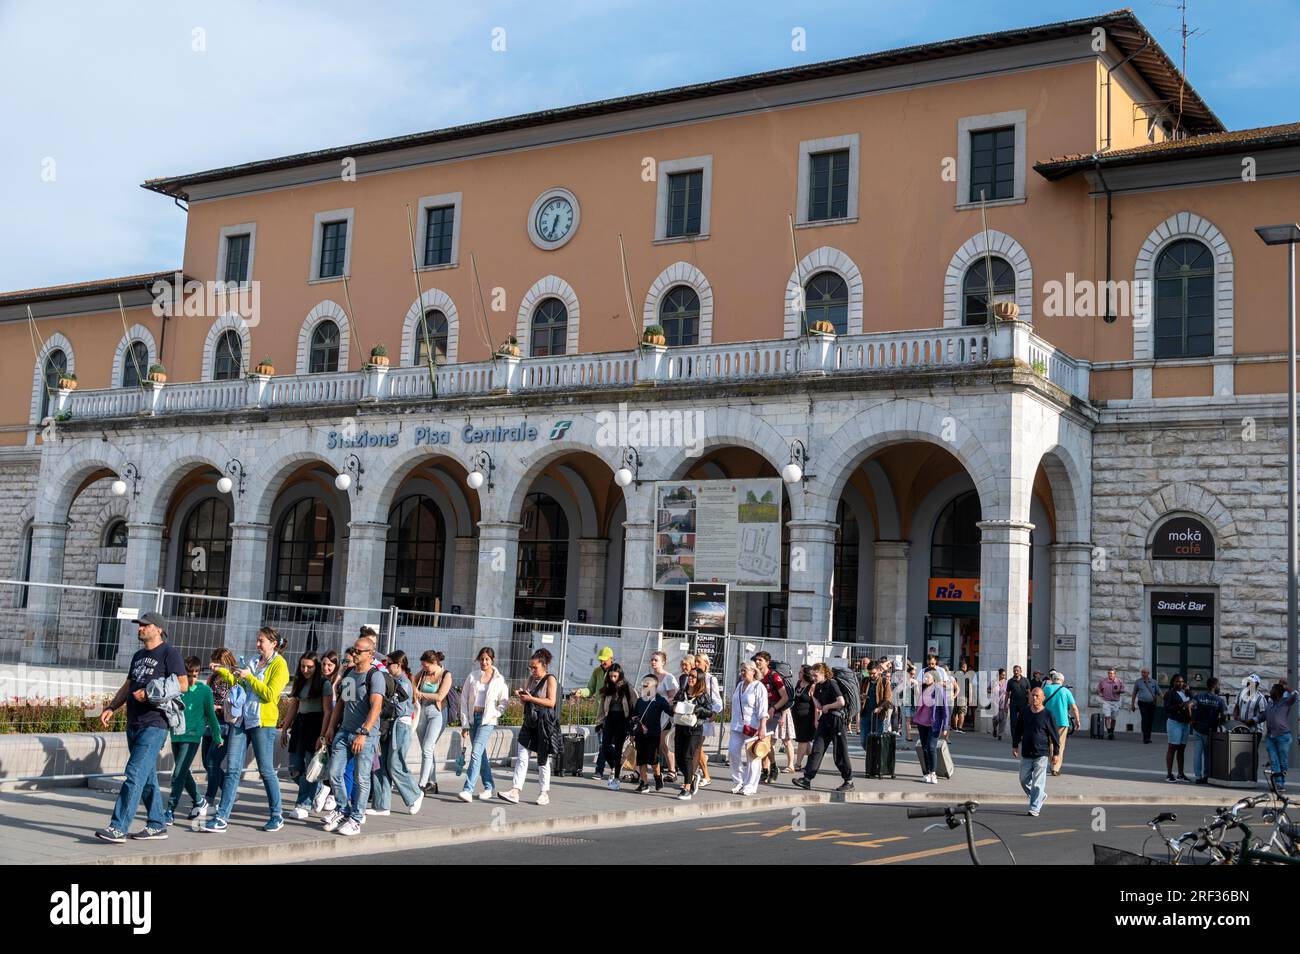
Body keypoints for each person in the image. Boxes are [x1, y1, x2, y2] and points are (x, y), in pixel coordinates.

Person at [96, 612, 188, 843]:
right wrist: (112, 706)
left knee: (134, 774)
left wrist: (149, 693)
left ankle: (118, 827)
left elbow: (184, 684)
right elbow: (128, 685)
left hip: (155, 724)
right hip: (134, 723)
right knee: (146, 777)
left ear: (158, 629)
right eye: (139, 625)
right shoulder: (138, 656)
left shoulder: (170, 653)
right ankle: (157, 825)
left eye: (144, 625)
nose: (140, 628)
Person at [204, 626, 290, 833]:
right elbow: (239, 684)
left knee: (266, 770)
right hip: (241, 719)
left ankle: (276, 814)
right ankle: (222, 816)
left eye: (261, 640)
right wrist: (224, 672)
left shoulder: (280, 665)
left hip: (262, 722)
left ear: (273, 643)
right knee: (233, 768)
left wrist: (250, 677)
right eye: (257, 640)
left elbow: (270, 694)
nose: (257, 644)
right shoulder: (252, 660)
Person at [319, 633, 385, 835]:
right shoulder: (349, 673)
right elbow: (342, 702)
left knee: (361, 778)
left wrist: (363, 733)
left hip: (365, 735)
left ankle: (356, 819)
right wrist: (331, 727)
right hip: (344, 731)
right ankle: (342, 809)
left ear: (370, 654)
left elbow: (376, 707)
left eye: (359, 651)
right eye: (354, 649)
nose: (354, 653)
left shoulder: (375, 676)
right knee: (334, 773)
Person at [163, 655, 222, 826]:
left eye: (195, 674)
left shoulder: (205, 691)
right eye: (188, 674)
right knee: (184, 772)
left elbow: (211, 716)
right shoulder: (176, 690)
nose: (192, 679)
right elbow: (168, 712)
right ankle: (199, 801)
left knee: (178, 773)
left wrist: (217, 735)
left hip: (193, 736)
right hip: (176, 734)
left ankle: (170, 810)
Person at [499, 648, 561, 805]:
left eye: (535, 667)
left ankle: (544, 792)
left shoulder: (550, 679)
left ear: (544, 665)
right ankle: (515, 791)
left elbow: (551, 702)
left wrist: (531, 698)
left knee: (542, 759)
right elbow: (526, 701)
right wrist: (522, 696)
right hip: (530, 722)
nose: (532, 670)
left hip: (544, 724)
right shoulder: (530, 679)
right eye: (530, 667)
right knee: (522, 756)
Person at [372, 649, 424, 816]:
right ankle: (381, 805)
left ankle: (415, 794)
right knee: (380, 764)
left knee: (395, 763)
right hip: (388, 725)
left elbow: (397, 706)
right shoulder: (393, 679)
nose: (385, 666)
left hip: (400, 726)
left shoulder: (404, 683)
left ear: (399, 665)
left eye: (389, 664)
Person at [457, 646, 510, 802]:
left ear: (492, 660)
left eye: (487, 659)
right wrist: (465, 723)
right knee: (481, 755)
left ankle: (468, 789)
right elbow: (464, 700)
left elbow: (504, 701)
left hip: (487, 720)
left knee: (475, 753)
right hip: (474, 718)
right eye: (481, 659)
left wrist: (496, 713)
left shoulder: (499, 679)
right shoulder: (472, 676)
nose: (484, 662)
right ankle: (489, 787)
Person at [279, 651, 326, 820]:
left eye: (310, 667)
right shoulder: (299, 682)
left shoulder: (323, 684)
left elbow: (328, 711)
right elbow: (293, 706)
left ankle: (303, 805)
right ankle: (318, 789)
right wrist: (284, 729)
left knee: (309, 769)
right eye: (303, 666)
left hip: (315, 724)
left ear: (316, 667)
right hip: (300, 725)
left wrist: (323, 736)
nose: (306, 670)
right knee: (294, 768)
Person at [792, 663, 853, 792]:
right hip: (825, 720)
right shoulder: (818, 686)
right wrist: (813, 696)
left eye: (816, 675)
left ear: (823, 673)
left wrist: (828, 707)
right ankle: (807, 779)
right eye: (812, 675)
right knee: (817, 749)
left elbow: (841, 702)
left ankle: (848, 781)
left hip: (837, 720)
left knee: (840, 752)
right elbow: (819, 706)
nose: (813, 677)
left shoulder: (832, 683)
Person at [1011, 687, 1060, 817]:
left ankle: (1034, 807)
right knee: (1023, 779)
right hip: (1026, 752)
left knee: (1038, 783)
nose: (1034, 698)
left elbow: (1055, 735)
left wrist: (1056, 753)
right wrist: (1015, 745)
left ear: (1043, 698)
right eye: (1033, 695)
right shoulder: (1024, 712)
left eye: (1037, 696)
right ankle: (1040, 796)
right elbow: (1018, 729)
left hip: (1042, 754)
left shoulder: (1048, 714)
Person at [670, 669, 716, 800]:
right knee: (678, 759)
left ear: (699, 679)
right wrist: (674, 707)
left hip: (694, 730)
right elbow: (672, 706)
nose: (690, 678)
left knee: (686, 756)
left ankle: (687, 788)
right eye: (689, 675)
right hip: (680, 728)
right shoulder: (682, 692)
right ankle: (693, 777)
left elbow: (710, 713)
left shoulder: (703, 695)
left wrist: (699, 709)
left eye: (694, 677)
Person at [202, 647, 237, 815]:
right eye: (213, 662)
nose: (213, 666)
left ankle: (209, 799)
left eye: (217, 663)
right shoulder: (212, 678)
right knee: (206, 761)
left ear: (226, 664)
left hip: (224, 724)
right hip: (209, 723)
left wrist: (218, 707)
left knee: (212, 761)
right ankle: (229, 792)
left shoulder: (232, 680)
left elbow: (234, 704)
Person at [414, 650, 453, 794]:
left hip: (437, 714)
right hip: (422, 712)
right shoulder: (423, 673)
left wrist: (421, 694)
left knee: (427, 748)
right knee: (427, 749)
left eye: (426, 666)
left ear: (434, 663)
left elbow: (440, 696)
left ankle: (422, 784)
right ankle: (433, 782)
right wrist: (414, 691)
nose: (424, 668)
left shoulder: (446, 675)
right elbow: (412, 681)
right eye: (422, 666)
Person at [574, 646, 615, 778]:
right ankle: (609, 767)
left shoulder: (616, 671)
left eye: (605, 660)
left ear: (611, 659)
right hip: (600, 714)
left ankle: (602, 769)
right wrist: (582, 692)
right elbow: (590, 688)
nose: (602, 662)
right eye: (601, 660)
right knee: (603, 744)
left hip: (613, 713)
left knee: (606, 744)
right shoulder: (597, 671)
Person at [728, 661, 768, 796]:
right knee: (733, 752)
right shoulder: (739, 685)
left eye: (745, 670)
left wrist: (762, 727)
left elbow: (763, 709)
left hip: (753, 726)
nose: (743, 672)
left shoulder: (759, 687)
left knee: (752, 756)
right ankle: (739, 781)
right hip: (737, 725)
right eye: (742, 670)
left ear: (753, 671)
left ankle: (750, 785)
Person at [752, 651, 791, 782]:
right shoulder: (756, 677)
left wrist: (773, 708)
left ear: (767, 662)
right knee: (760, 740)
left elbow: (785, 697)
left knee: (765, 740)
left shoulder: (774, 676)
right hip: (759, 711)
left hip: (772, 711)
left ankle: (772, 767)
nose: (757, 662)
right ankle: (765, 769)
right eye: (756, 660)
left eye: (760, 660)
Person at [597, 663, 635, 790]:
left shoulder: (627, 687)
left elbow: (634, 703)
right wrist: (599, 722)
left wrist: (632, 722)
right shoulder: (608, 687)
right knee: (605, 747)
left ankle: (616, 778)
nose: (613, 679)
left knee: (618, 749)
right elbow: (602, 707)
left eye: (615, 676)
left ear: (620, 676)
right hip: (610, 719)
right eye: (611, 676)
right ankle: (614, 766)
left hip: (622, 720)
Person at [913, 663, 951, 785]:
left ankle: (933, 773)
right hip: (922, 722)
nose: (925, 679)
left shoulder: (939, 689)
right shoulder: (923, 688)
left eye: (927, 677)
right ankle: (927, 772)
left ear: (934, 678)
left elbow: (945, 709)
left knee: (931, 747)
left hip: (934, 723)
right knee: (924, 748)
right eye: (924, 677)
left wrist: (945, 726)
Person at [1040, 671, 1080, 777]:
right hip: (1062, 721)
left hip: (1047, 721)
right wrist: (1077, 720)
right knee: (1060, 744)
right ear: (1062, 681)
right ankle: (1055, 768)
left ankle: (1047, 764)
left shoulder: (1046, 689)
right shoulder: (1065, 691)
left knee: (1049, 743)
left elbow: (1039, 703)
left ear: (1053, 680)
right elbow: (1074, 707)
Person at [648, 651, 679, 781]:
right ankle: (656, 770)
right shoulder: (649, 677)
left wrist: (662, 702)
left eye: (656, 660)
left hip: (665, 714)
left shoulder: (668, 678)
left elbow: (674, 698)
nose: (653, 662)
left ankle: (672, 770)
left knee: (664, 743)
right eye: (652, 660)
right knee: (651, 743)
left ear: (663, 662)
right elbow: (646, 696)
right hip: (652, 713)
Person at [1189, 676, 1226, 784]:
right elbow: (1224, 715)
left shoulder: (1199, 696)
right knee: (1207, 755)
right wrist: (1219, 721)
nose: (1219, 687)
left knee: (1197, 754)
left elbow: (1189, 705)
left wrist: (1191, 719)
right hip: (1210, 730)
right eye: (1218, 685)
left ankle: (1198, 777)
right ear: (1215, 686)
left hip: (1198, 729)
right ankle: (1206, 775)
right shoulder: (1219, 700)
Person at [694, 653, 723, 786]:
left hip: (705, 716)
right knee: (695, 747)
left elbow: (717, 700)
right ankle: (695, 774)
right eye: (695, 661)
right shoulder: (694, 677)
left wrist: (714, 713)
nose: (696, 664)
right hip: (693, 716)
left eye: (699, 662)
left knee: (697, 746)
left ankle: (705, 776)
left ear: (706, 664)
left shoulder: (711, 680)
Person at [1264, 680, 1297, 792]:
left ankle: (1281, 781)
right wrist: (1253, 720)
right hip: (1270, 737)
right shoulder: (1269, 704)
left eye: (1272, 689)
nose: (1270, 691)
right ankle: (1278, 783)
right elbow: (1263, 715)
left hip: (1283, 736)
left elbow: (1295, 695)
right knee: (1274, 760)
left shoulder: (1286, 702)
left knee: (1283, 760)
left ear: (1277, 692)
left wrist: (1286, 687)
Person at [1163, 673, 1193, 783]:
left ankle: (1181, 774)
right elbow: (1167, 708)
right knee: (1172, 747)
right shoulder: (1170, 693)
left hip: (1185, 723)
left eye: (1181, 681)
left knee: (1181, 749)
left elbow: (1193, 700)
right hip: (1174, 723)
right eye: (1177, 681)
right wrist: (1180, 706)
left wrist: (1188, 691)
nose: (1180, 683)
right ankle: (1169, 774)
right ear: (1173, 682)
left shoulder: (1185, 693)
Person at [789, 665, 816, 771]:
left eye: (801, 672)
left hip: (807, 717)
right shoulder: (799, 684)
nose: (798, 674)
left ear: (806, 674)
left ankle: (798, 764)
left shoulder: (812, 686)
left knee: (803, 741)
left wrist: (816, 719)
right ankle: (813, 760)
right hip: (797, 717)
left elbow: (815, 704)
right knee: (806, 741)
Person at [860, 661, 892, 748]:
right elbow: (859, 694)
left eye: (873, 673)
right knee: (864, 741)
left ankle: (874, 759)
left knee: (877, 741)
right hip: (866, 714)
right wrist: (862, 697)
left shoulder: (885, 682)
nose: (871, 675)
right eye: (869, 673)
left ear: (878, 671)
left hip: (879, 716)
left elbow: (888, 699)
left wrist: (880, 708)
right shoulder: (864, 681)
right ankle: (871, 757)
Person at [1130, 667, 1160, 744]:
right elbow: (1134, 693)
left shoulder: (1153, 682)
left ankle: (1148, 736)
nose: (1143, 674)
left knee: (1150, 720)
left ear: (1148, 673)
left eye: (1144, 672)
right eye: (1142, 672)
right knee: (1145, 719)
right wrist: (1132, 704)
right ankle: (1145, 737)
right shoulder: (1138, 682)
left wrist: (1165, 699)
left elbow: (1159, 691)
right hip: (1142, 703)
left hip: (1152, 704)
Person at [1097, 667, 1125, 740]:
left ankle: (1112, 731)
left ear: (1115, 674)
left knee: (1113, 718)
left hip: (1116, 702)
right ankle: (1109, 732)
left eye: (1112, 673)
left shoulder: (1119, 681)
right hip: (1107, 701)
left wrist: (1119, 691)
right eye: (1109, 673)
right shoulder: (1103, 681)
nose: (1110, 675)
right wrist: (1101, 694)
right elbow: (1098, 689)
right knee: (1107, 717)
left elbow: (1123, 690)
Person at [1006, 664, 1031, 739]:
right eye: (1014, 671)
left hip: (1023, 704)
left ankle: (1022, 735)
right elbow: (1007, 693)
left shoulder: (1026, 680)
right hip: (1013, 704)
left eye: (1017, 671)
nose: (1016, 672)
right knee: (1013, 721)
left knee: (1023, 720)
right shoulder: (1010, 681)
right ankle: (1015, 737)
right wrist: (1005, 705)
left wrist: (1030, 703)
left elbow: (1029, 692)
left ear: (1021, 671)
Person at [952, 659, 972, 732]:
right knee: (962, 712)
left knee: (955, 711)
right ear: (964, 666)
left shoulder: (955, 673)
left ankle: (955, 727)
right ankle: (960, 727)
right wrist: (970, 698)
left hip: (955, 694)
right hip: (963, 696)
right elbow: (970, 687)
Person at [989, 668, 1009, 741]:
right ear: (999, 674)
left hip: (1004, 702)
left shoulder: (1007, 682)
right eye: (1002, 675)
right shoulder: (994, 682)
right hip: (995, 703)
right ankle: (994, 728)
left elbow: (1009, 692)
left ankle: (1000, 734)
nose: (1004, 676)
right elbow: (988, 690)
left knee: (1003, 720)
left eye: (1004, 675)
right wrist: (991, 690)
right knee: (996, 718)